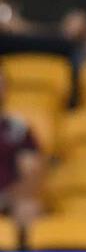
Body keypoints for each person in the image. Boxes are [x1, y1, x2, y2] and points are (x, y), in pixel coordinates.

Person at [0, 66, 45, 233]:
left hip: (7, 199)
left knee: (28, 208)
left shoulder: (17, 128)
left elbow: (31, 174)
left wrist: (7, 197)